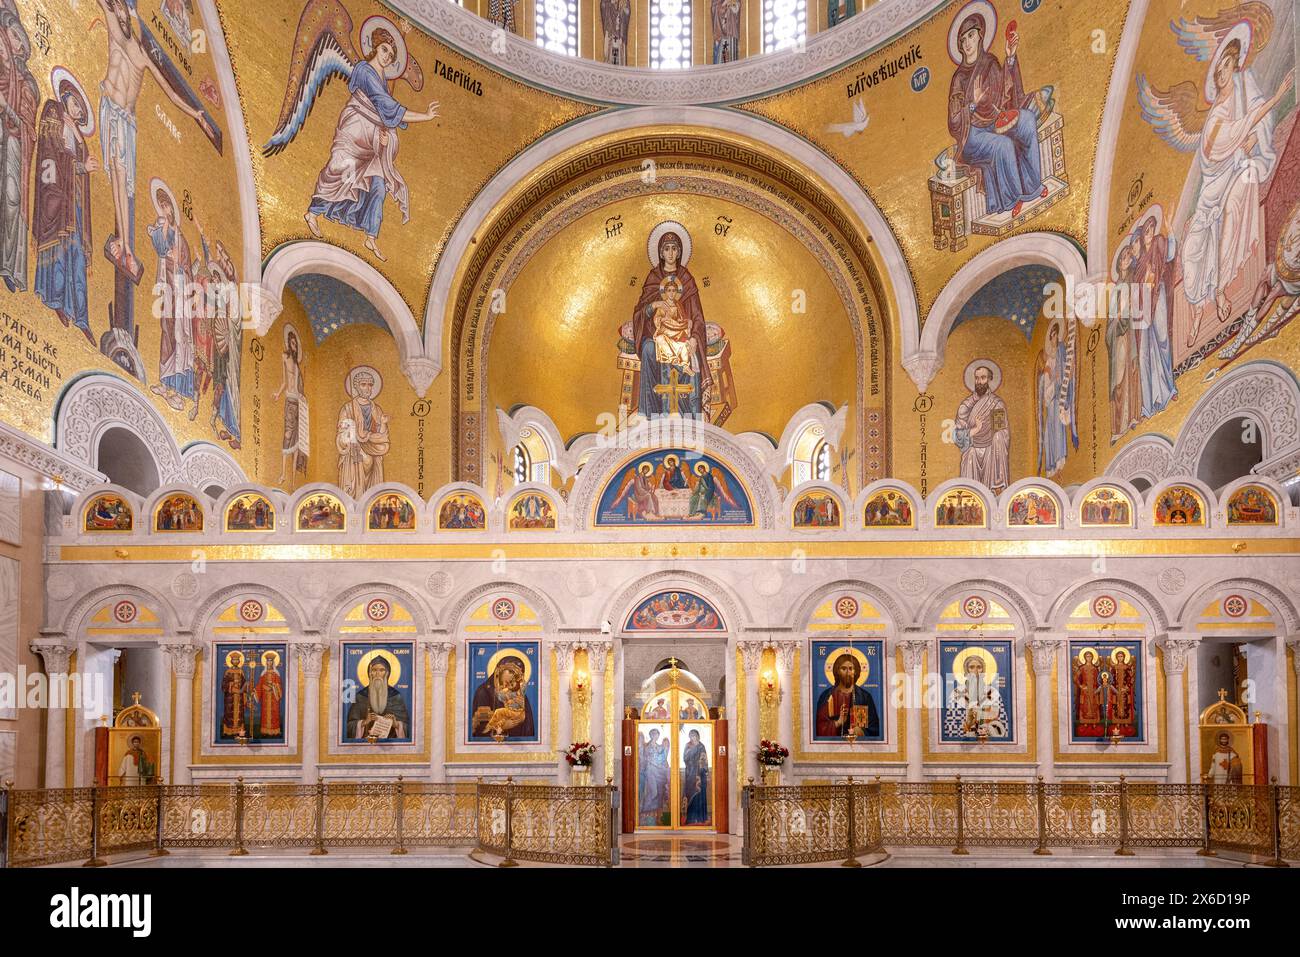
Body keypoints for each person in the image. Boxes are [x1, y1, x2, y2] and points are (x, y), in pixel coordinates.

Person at [302, 28, 439, 261]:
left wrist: (386, 133)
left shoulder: (383, 81)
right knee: (340, 169)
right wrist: (423, 117)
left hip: (373, 137)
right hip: (355, 127)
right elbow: (384, 104)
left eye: (392, 55)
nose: (387, 56)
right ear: (375, 47)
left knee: (378, 184)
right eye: (385, 49)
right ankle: (313, 213)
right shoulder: (364, 71)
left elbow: (386, 110)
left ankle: (371, 236)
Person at [946, 12, 1049, 218]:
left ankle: (1032, 186)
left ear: (980, 36)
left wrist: (1010, 57)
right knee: (1003, 145)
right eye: (963, 39)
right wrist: (972, 104)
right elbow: (954, 122)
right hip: (973, 135)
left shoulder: (990, 62)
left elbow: (1006, 92)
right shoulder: (959, 78)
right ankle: (1015, 198)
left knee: (1027, 119)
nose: (967, 43)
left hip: (995, 120)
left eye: (971, 36)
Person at [33, 71, 96, 342]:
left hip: (76, 203)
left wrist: (81, 150)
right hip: (56, 196)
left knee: (77, 255)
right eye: (76, 103)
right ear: (66, 96)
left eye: (81, 108)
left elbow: (80, 163)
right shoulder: (53, 111)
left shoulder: (79, 136)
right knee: (59, 249)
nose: (78, 109)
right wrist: (80, 165)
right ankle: (56, 298)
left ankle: (80, 315)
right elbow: (51, 151)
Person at [633, 229, 711, 416]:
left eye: (673, 249)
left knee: (688, 354)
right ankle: (651, 413)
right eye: (666, 249)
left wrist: (694, 339)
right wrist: (654, 305)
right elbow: (640, 313)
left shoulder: (687, 280)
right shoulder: (653, 278)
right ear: (660, 252)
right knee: (649, 349)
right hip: (657, 335)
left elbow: (698, 317)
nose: (670, 253)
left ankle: (687, 413)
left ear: (679, 252)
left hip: (682, 336)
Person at [147, 182, 197, 416]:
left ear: (172, 211)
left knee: (178, 335)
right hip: (166, 287)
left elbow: (187, 266)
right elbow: (159, 249)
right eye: (162, 205)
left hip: (179, 288)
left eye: (167, 206)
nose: (164, 209)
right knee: (166, 330)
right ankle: (165, 383)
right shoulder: (163, 231)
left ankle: (177, 391)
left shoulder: (181, 238)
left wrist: (180, 261)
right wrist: (159, 232)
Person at [0, 9, 35, 293]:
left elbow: (26, 124)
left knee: (12, 196)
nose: (18, 47)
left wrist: (8, 108)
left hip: (12, 139)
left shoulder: (24, 81)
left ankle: (7, 262)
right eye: (15, 37)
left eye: (22, 45)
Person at [954, 363, 1010, 494]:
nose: (979, 382)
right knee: (970, 455)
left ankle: (996, 487)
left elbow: (1001, 432)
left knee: (998, 437)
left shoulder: (996, 404)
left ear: (989, 379)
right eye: (977, 378)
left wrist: (995, 438)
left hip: (991, 450)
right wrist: (975, 430)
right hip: (972, 447)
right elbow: (957, 437)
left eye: (983, 378)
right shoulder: (965, 406)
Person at [337, 368, 390, 499]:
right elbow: (341, 435)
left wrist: (382, 423)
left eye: (370, 385)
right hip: (354, 451)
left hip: (373, 448)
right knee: (363, 465)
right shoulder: (348, 408)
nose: (367, 388)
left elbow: (383, 436)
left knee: (370, 463)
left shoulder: (376, 409)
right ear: (356, 387)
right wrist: (349, 434)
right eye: (363, 384)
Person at [271, 326, 308, 485]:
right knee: (287, 435)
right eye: (292, 343)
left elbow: (300, 386)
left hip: (299, 401)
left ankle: (293, 480)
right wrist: (278, 393)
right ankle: (283, 473)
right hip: (290, 400)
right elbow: (285, 381)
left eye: (296, 344)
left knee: (297, 439)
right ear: (288, 343)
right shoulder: (285, 357)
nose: (294, 346)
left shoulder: (299, 366)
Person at [815, 652, 880, 738]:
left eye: (851, 668)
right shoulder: (827, 696)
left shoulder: (864, 697)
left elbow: (874, 727)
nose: (848, 672)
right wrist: (838, 723)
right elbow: (820, 727)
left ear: (856, 671)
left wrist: (861, 731)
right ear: (837, 671)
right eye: (843, 668)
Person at [471, 656, 536, 739]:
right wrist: (503, 726)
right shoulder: (483, 692)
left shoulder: (519, 693)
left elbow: (528, 726)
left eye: (512, 682)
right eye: (504, 682)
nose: (507, 686)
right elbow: (478, 728)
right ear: (498, 674)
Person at [346, 655, 409, 739]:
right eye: (374, 670)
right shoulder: (360, 696)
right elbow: (349, 725)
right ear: (369, 673)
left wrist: (396, 724)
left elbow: (408, 727)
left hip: (391, 743)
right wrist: (364, 722)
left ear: (387, 673)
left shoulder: (396, 696)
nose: (377, 674)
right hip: (365, 743)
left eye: (382, 670)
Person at [949, 652, 1006, 738]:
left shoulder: (993, 693)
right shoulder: (956, 694)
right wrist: (968, 722)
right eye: (971, 667)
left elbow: (1002, 721)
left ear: (983, 670)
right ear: (966, 670)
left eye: (979, 667)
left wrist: (987, 727)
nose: (975, 671)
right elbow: (951, 724)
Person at [682, 729, 710, 825]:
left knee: (700, 795)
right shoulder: (688, 746)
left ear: (698, 736)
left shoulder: (701, 746)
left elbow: (704, 760)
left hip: (700, 774)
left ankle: (700, 818)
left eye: (694, 735)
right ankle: (691, 818)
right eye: (691, 736)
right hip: (690, 773)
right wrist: (693, 750)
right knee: (691, 794)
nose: (693, 737)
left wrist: (704, 771)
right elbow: (685, 758)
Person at [254, 653, 283, 738]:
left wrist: (273, 687)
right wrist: (255, 690)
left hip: (274, 698)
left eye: (270, 662)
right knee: (265, 714)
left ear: (273, 663)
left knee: (274, 713)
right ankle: (265, 730)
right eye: (267, 662)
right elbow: (259, 685)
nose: (269, 663)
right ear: (266, 663)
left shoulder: (276, 674)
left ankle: (274, 731)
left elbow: (279, 687)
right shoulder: (263, 674)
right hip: (266, 699)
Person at [1072, 649, 1101, 734]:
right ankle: (1085, 722)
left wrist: (1098, 686)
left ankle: (1094, 722)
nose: (1089, 658)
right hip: (1085, 690)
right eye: (1087, 656)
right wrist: (1081, 686)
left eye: (1090, 656)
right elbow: (1075, 678)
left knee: (1094, 705)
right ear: (1085, 658)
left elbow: (1099, 679)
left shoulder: (1095, 668)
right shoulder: (1082, 668)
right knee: (1085, 705)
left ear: (1092, 657)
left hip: (1094, 689)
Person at [221, 651, 245, 736]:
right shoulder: (228, 672)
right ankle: (228, 731)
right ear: (231, 661)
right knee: (229, 713)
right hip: (230, 697)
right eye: (234, 659)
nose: (235, 661)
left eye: (237, 660)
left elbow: (244, 684)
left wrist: (246, 686)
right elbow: (223, 686)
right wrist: (231, 685)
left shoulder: (241, 672)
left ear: (239, 661)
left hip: (239, 697)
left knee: (239, 714)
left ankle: (239, 731)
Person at [600, 0, 630, 64]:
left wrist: (622, 10)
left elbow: (627, 11)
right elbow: (603, 5)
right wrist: (611, 4)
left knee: (618, 47)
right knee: (611, 46)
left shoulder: (624, 2)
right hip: (610, 31)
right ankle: (610, 62)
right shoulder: (607, 3)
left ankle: (619, 63)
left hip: (620, 33)